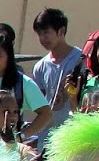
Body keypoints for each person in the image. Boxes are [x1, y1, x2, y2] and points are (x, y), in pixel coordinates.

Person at [32, 8, 84, 139]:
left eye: (46, 32)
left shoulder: (81, 60)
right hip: (46, 137)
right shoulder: (40, 66)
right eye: (39, 33)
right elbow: (39, 103)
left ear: (61, 31)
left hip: (73, 134)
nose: (42, 38)